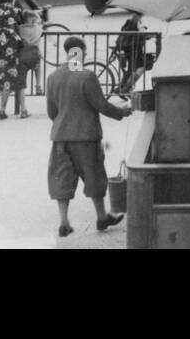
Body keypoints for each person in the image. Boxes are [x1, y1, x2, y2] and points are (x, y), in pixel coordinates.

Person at [46, 36, 133, 237]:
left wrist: (64, 124)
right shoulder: (86, 75)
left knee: (62, 177)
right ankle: (102, 217)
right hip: (85, 136)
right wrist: (123, 112)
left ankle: (64, 221)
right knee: (94, 176)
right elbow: (101, 105)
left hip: (60, 136)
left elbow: (52, 112)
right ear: (81, 51)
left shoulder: (52, 77)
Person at [15, 10, 44, 117]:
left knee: (21, 84)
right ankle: (38, 84)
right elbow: (41, 31)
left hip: (22, 54)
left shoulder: (19, 29)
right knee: (37, 67)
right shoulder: (38, 28)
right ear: (32, 20)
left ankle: (23, 110)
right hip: (34, 53)